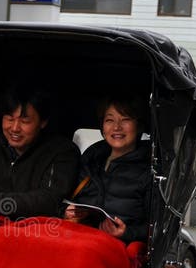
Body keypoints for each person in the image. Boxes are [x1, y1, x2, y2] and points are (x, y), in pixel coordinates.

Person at [0, 85, 80, 222]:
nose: (15, 128)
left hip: (36, 232)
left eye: (24, 121)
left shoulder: (62, 151)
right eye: (9, 119)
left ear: (43, 122)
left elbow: (49, 200)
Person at [64, 96, 151, 243]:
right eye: (109, 120)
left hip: (117, 245)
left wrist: (126, 232)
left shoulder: (149, 170)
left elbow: (157, 226)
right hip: (80, 235)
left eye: (125, 119)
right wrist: (67, 212)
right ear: (102, 126)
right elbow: (66, 198)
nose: (117, 127)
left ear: (139, 126)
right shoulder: (90, 160)